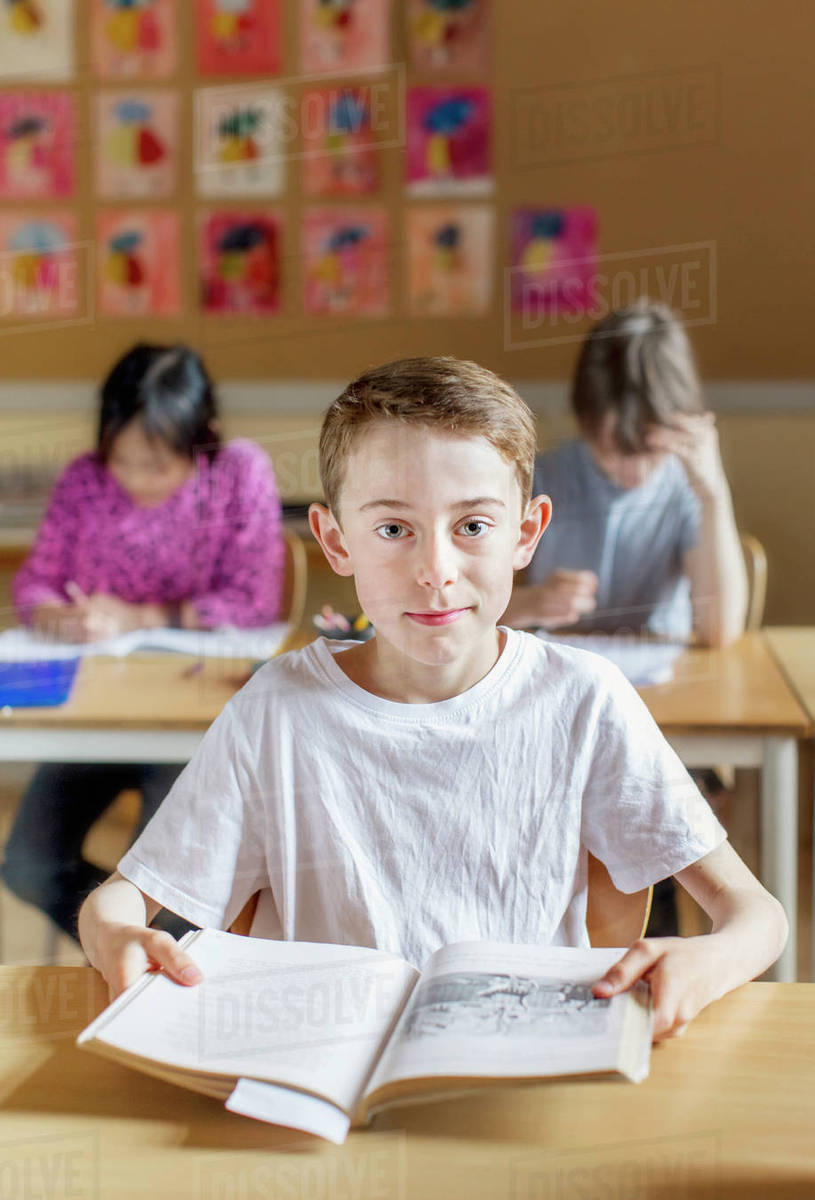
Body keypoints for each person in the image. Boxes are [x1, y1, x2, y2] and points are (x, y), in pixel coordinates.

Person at [78, 356, 786, 1039]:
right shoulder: (276, 710)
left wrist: (709, 959)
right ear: (336, 540)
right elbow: (119, 898)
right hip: (318, 1085)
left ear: (525, 532)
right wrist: (113, 933)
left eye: (472, 526)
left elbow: (757, 915)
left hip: (523, 1070)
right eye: (392, 529)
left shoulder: (585, 702)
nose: (435, 571)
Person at [3, 343, 284, 941]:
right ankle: (134, 953)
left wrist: (135, 617)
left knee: (156, 885)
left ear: (200, 439)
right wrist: (61, 616)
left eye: (156, 464)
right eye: (121, 460)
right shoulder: (84, 478)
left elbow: (252, 600)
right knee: (27, 865)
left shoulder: (237, 473)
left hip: (192, 721)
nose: (132, 479)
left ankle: (143, 955)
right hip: (96, 713)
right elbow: (33, 585)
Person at [503, 299, 748, 647]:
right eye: (611, 451)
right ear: (585, 422)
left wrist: (714, 494)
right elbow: (468, 612)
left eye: (650, 452)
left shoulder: (687, 488)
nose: (632, 471)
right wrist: (531, 602)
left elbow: (720, 631)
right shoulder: (544, 478)